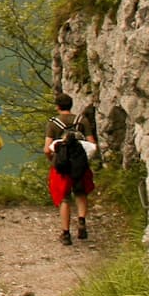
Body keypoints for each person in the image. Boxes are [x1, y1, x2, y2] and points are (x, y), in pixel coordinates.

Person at [45, 94, 97, 245]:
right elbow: (92, 144)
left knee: (64, 198)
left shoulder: (53, 123)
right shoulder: (82, 120)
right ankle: (81, 222)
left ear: (57, 106)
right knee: (81, 192)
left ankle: (66, 233)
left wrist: (53, 160)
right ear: (71, 105)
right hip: (79, 164)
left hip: (61, 167)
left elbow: (47, 149)